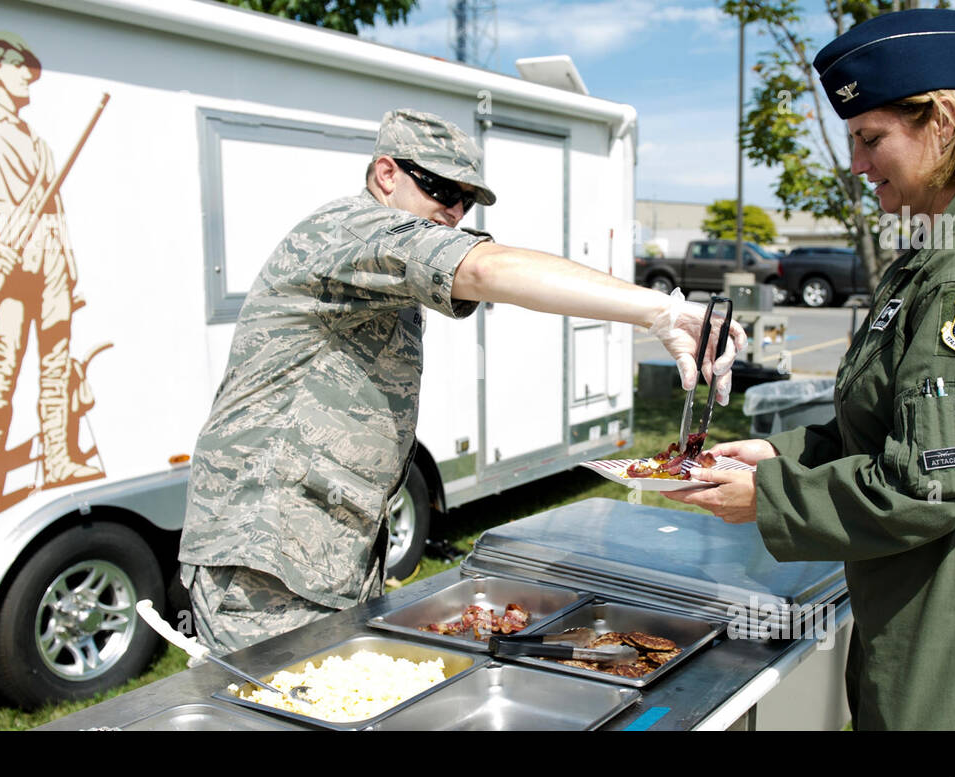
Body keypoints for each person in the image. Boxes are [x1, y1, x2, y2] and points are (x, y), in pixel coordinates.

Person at [178, 109, 747, 655]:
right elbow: (482, 267)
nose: (453, 212)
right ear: (386, 174)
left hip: (325, 552)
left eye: (466, 200)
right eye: (441, 191)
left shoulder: (382, 254)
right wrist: (661, 311)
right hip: (268, 555)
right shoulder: (351, 228)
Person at [666, 9, 955, 730]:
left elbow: (931, 477)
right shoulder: (942, 249)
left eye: (871, 139)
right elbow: (895, 420)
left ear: (944, 128)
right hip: (931, 599)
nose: (858, 166)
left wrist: (768, 497)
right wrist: (779, 452)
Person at [0, 32, 104, 528]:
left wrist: (68, 272)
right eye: (16, 65)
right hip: (13, 263)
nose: (27, 73)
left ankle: (58, 458)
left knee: (55, 368)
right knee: (3, 376)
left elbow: (58, 212)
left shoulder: (40, 143)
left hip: (52, 264)